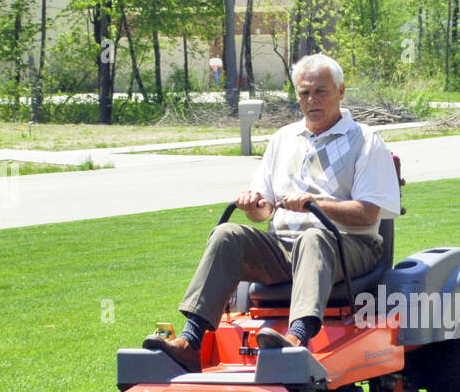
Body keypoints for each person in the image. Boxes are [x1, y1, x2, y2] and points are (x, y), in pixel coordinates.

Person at [143, 53, 401, 372]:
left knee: (314, 237)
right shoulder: (283, 140)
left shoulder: (365, 141)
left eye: (321, 91)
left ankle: (296, 337)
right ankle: (190, 341)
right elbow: (263, 212)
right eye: (304, 93)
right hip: (283, 247)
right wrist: (254, 206)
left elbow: (367, 213)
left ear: (341, 91)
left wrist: (315, 204)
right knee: (227, 235)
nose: (312, 100)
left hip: (349, 247)